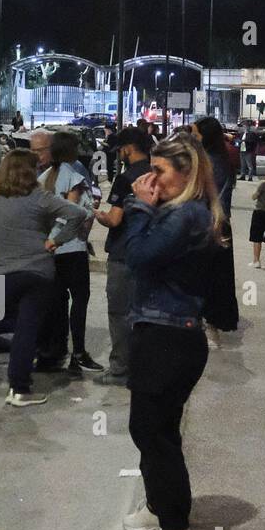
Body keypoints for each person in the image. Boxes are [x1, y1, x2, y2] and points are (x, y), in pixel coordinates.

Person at [119, 134, 226, 530]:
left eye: (159, 171)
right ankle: (160, 507)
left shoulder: (186, 216)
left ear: (186, 173)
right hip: (163, 332)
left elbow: (139, 256)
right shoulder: (182, 213)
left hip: (169, 337)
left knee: (152, 432)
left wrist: (141, 207)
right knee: (155, 428)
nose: (150, 179)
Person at [0, 148, 92, 406]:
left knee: (9, 325)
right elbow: (78, 214)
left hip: (4, 274)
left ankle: (16, 376)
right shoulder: (40, 198)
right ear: (28, 172)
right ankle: (20, 388)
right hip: (37, 273)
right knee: (27, 330)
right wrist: (55, 241)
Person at [37, 131, 104, 375]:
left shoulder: (44, 178)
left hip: (51, 250)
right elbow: (72, 213)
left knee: (57, 303)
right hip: (71, 248)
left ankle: (54, 351)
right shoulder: (73, 178)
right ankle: (78, 353)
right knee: (79, 301)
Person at [93, 126, 153, 384]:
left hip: (123, 254)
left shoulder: (126, 178)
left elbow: (115, 220)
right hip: (151, 252)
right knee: (145, 313)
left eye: (120, 150)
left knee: (119, 313)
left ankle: (120, 369)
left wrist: (95, 213)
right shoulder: (157, 173)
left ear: (128, 149)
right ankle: (144, 366)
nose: (119, 155)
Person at [192, 117, 239, 348]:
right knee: (214, 278)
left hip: (212, 225)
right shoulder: (217, 158)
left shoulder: (212, 162)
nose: (194, 139)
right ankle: (209, 325)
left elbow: (210, 198)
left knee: (209, 278)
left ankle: (210, 327)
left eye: (196, 135)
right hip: (215, 224)